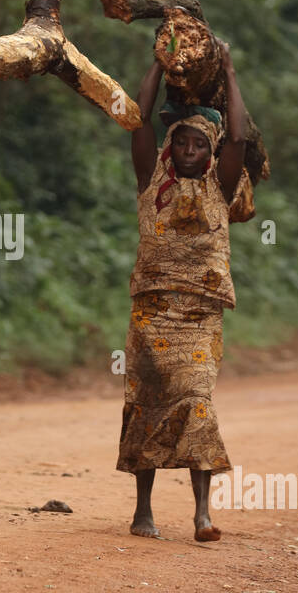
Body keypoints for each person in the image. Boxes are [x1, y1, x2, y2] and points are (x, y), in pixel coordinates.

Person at [117, 41, 248, 542]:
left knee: (198, 400)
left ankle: (201, 514)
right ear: (171, 146)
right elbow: (139, 118)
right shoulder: (151, 178)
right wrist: (158, 61)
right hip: (151, 314)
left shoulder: (221, 185)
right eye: (183, 144)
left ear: (210, 152)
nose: (190, 153)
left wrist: (230, 70)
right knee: (146, 402)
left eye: (199, 146)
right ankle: (143, 511)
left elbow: (237, 134)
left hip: (199, 316)